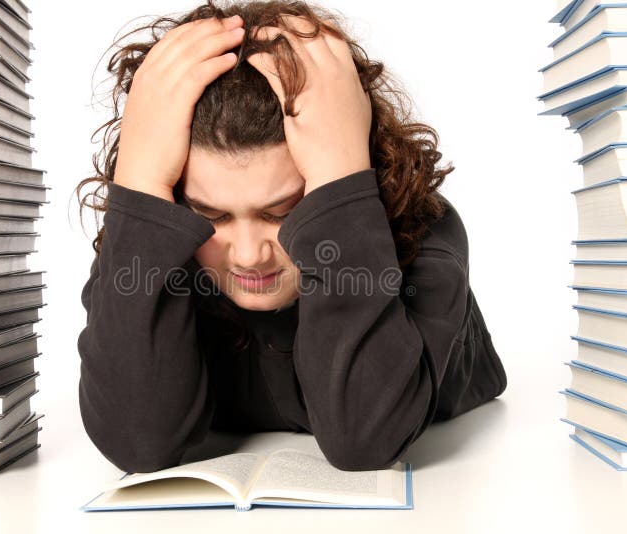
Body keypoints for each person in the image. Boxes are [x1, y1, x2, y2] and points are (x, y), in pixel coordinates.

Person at [75, 0, 508, 473]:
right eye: (211, 215)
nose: (247, 256)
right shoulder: (158, 240)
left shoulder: (424, 230)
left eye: (282, 212)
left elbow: (365, 441)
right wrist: (138, 182)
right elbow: (137, 445)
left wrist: (340, 178)